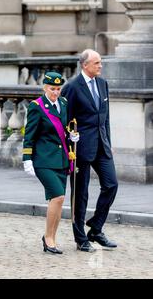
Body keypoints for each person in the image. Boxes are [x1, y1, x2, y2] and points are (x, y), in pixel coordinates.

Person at [61, 49, 118, 252]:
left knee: (111, 184)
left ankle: (95, 228)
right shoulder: (72, 87)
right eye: (96, 63)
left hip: (102, 145)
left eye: (100, 62)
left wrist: (109, 142)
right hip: (81, 148)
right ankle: (80, 238)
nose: (100, 66)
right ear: (85, 65)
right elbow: (64, 119)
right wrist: (69, 140)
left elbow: (106, 117)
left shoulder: (103, 84)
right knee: (80, 194)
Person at [22, 72, 79, 254]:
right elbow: (29, 135)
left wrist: (72, 135)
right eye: (52, 89)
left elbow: (65, 127)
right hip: (43, 160)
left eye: (58, 89)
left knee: (58, 200)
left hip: (61, 159)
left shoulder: (63, 103)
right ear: (44, 88)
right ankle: (48, 238)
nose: (55, 92)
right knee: (58, 197)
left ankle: (51, 238)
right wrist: (27, 159)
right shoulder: (37, 107)